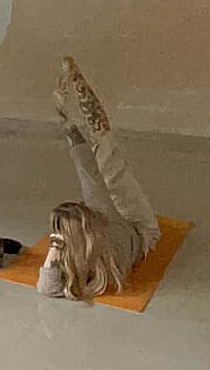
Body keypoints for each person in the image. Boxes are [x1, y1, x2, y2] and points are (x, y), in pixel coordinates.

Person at [37, 57, 161, 301]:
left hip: (117, 231)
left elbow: (47, 288)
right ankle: (79, 80)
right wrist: (66, 122)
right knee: (106, 151)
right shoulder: (104, 224)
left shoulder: (80, 249)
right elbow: (87, 170)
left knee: (102, 151)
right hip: (140, 228)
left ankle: (78, 81)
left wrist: (55, 247)